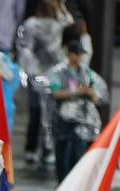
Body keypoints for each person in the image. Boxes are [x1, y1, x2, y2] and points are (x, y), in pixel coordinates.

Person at [48, 35, 107, 181]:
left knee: (78, 155)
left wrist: (92, 94)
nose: (80, 57)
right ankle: (61, 184)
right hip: (63, 119)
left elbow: (98, 94)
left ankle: (73, 185)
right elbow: (55, 93)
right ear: (70, 54)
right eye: (78, 54)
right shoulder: (58, 72)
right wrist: (79, 92)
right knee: (62, 157)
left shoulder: (87, 73)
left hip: (82, 120)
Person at [18, 0, 69, 165]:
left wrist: (24, 71)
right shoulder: (56, 25)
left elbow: (24, 48)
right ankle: (47, 150)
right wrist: (61, 7)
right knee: (49, 114)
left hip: (34, 75)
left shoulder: (29, 24)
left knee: (35, 113)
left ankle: (30, 149)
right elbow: (69, 24)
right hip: (51, 76)